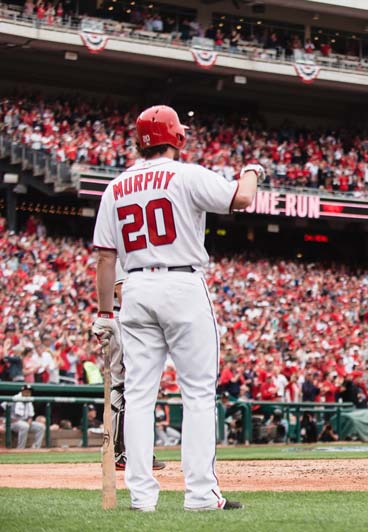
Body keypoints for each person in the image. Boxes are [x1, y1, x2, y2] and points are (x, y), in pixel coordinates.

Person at [91, 104, 262, 512]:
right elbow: (242, 197)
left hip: (134, 287)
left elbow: (104, 257)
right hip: (182, 282)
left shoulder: (115, 186)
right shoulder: (185, 174)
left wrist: (104, 314)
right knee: (198, 393)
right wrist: (252, 169)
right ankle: (200, 494)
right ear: (177, 137)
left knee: (138, 395)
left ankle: (141, 497)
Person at [109, 260, 167, 472]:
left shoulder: (136, 257)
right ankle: (120, 452)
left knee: (137, 387)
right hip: (123, 320)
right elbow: (120, 291)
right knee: (124, 386)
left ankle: (136, 451)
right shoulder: (122, 257)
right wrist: (137, 326)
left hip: (129, 321)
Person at [10, 384, 45, 449]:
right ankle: (20, 448)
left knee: (41, 427)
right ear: (22, 391)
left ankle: (36, 448)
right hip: (13, 423)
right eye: (26, 391)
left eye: (29, 392)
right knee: (24, 426)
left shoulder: (29, 400)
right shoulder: (15, 398)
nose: (28, 393)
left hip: (25, 422)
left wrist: (30, 419)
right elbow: (3, 408)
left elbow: (30, 415)